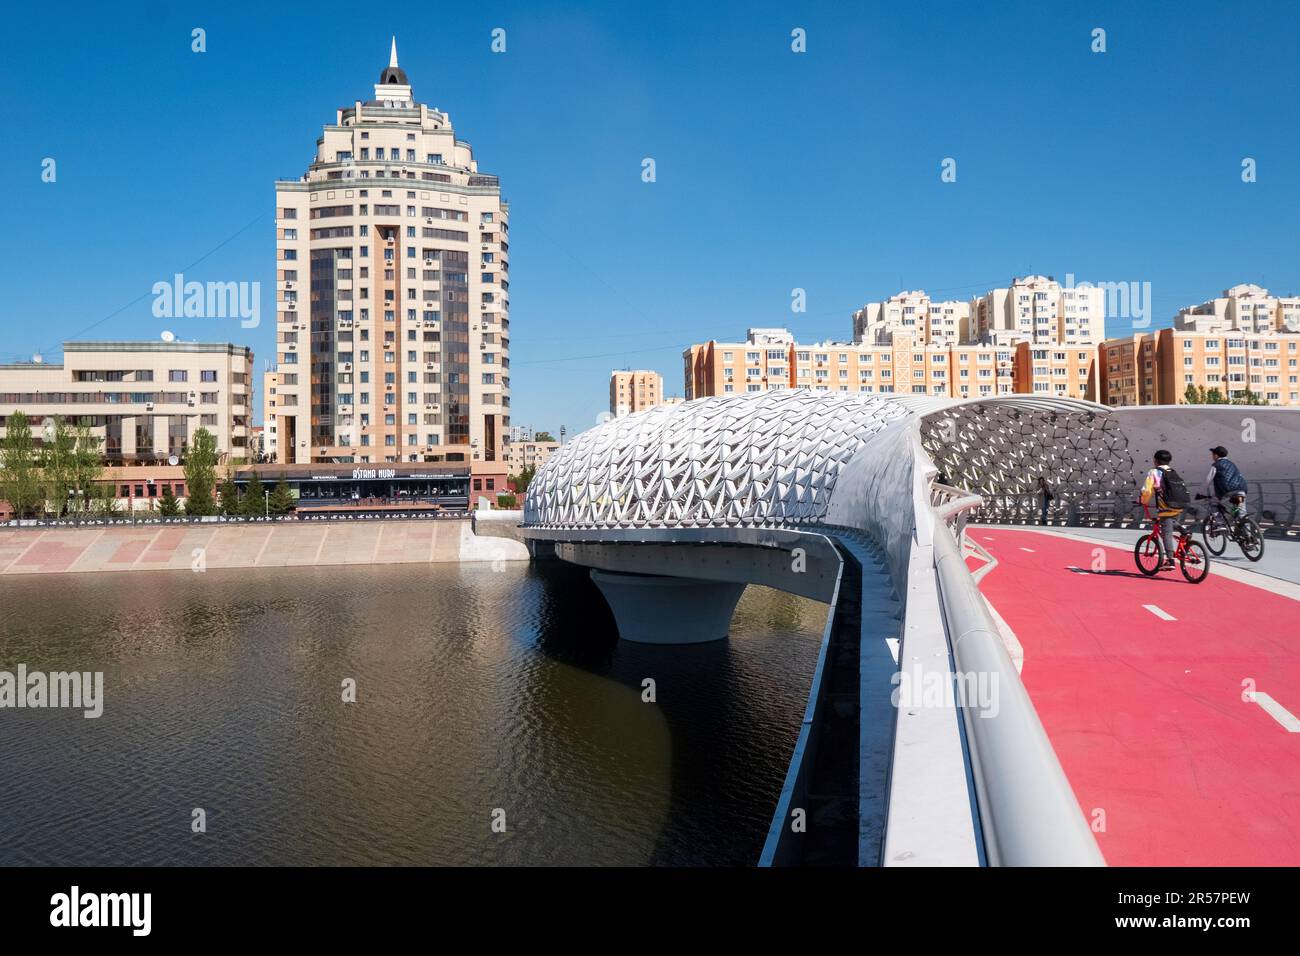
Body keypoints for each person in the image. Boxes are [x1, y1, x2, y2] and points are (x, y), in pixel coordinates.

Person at [1140, 449, 1191, 569]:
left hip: (1166, 507)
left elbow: (1147, 490)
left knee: (1166, 532)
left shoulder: (1154, 472)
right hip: (1179, 505)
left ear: (1155, 460)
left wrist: (1143, 501)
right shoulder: (1172, 471)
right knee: (1172, 522)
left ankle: (1170, 560)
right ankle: (1184, 532)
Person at [1203, 445, 1249, 520]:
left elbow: (1207, 480)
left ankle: (1220, 524)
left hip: (1228, 491)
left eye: (1212, 455)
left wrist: (1201, 492)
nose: (1212, 457)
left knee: (1213, 504)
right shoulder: (1232, 464)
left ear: (1216, 455)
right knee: (1242, 512)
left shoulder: (1216, 465)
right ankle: (1247, 530)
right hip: (1241, 490)